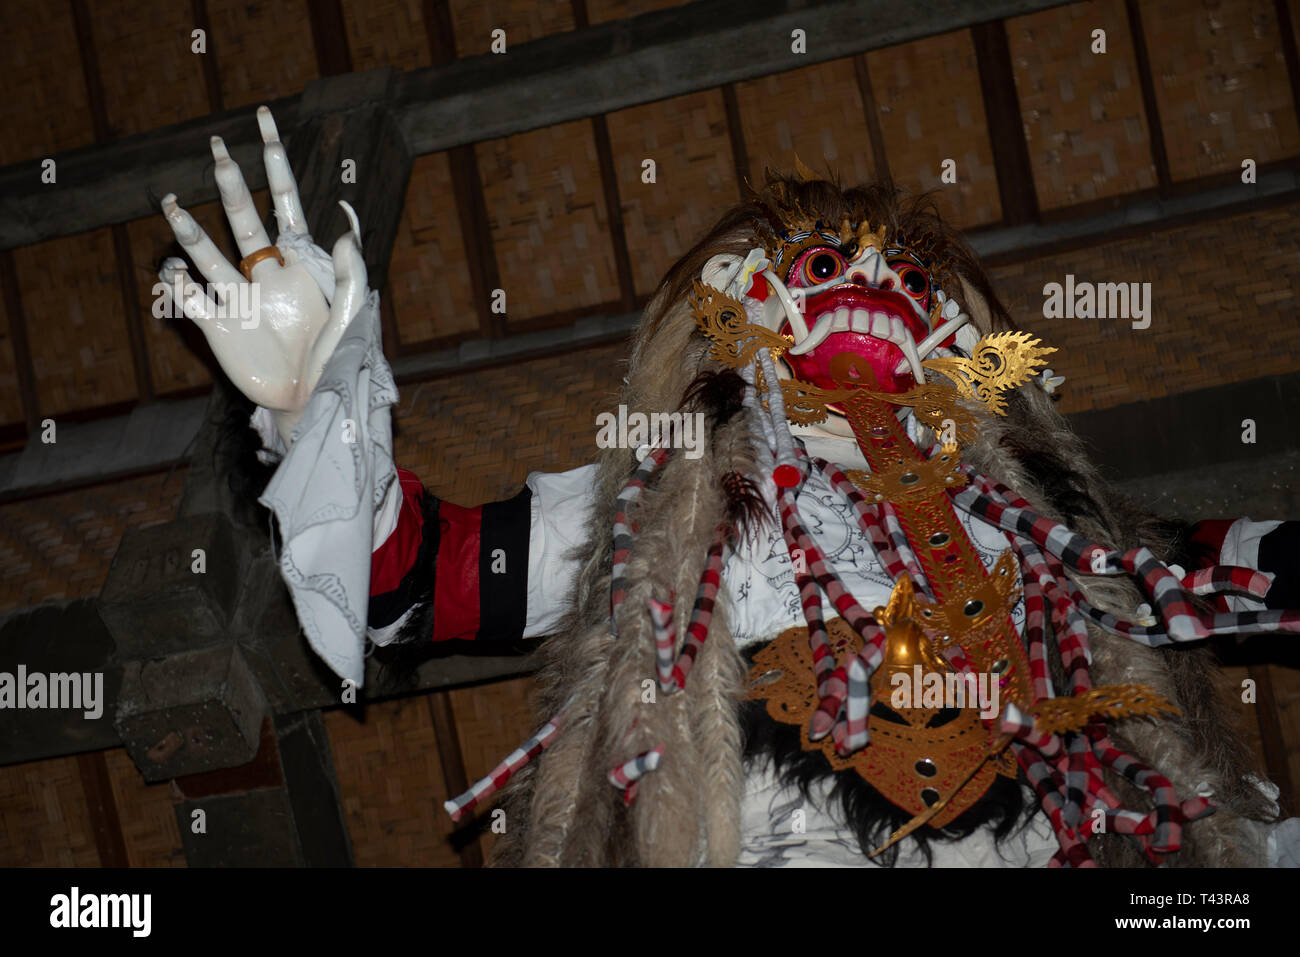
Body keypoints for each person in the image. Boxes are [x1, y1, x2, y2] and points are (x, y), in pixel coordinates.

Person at [155, 108, 1300, 867]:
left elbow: (1231, 569)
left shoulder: (1047, 543)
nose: (868, 290)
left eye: (905, 276)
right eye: (820, 269)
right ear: (745, 320)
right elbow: (408, 578)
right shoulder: (648, 521)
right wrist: (315, 403)